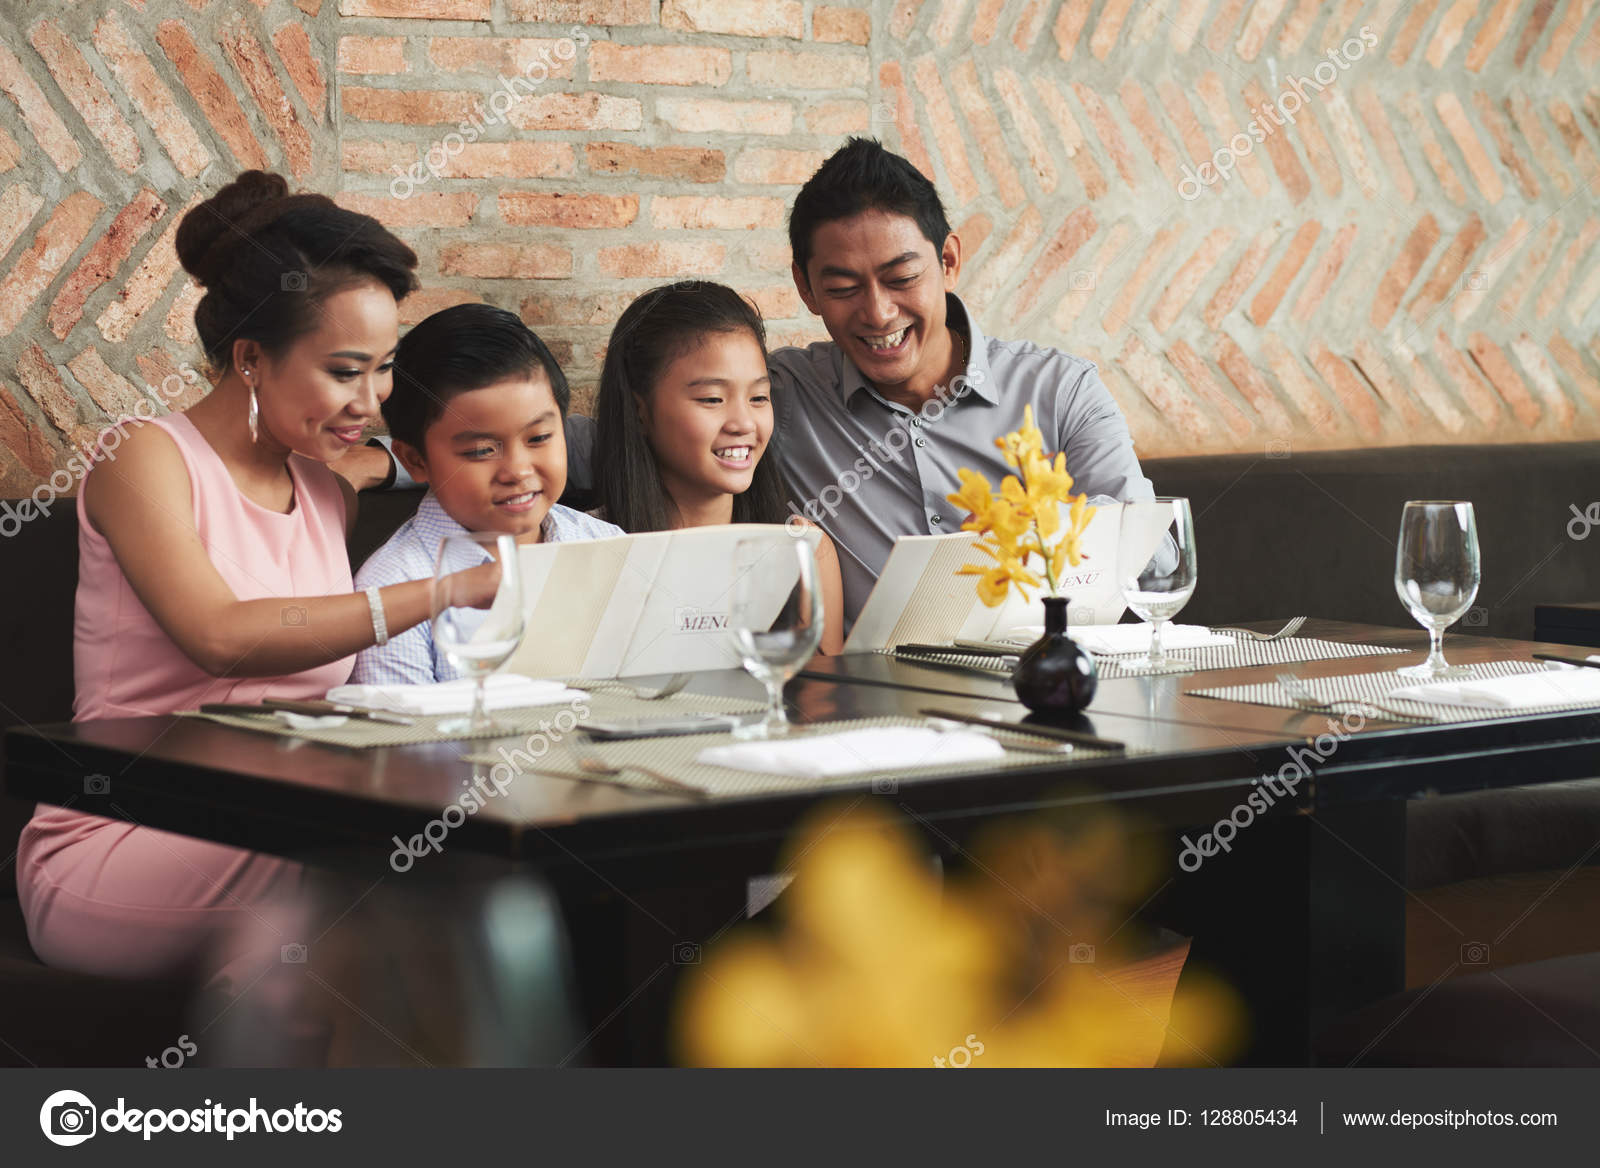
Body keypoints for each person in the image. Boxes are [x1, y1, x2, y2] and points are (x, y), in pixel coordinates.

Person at [15, 171, 495, 983]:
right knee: (374, 847)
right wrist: (445, 591)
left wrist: (408, 461)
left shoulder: (324, 489)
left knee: (432, 840)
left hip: (276, 823)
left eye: (384, 369)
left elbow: (385, 458)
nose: (372, 400)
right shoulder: (144, 459)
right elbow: (221, 636)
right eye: (344, 371)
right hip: (126, 837)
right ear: (249, 358)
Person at [771, 138, 1158, 624]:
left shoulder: (1061, 391)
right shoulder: (782, 396)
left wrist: (1025, 528)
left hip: (1039, 666)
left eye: (902, 278)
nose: (878, 313)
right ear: (806, 289)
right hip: (872, 675)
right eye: (843, 288)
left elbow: (1155, 559)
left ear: (948, 262)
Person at [351, 304, 622, 686]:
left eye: (539, 438)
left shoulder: (609, 547)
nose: (518, 470)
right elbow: (399, 720)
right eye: (481, 451)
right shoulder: (393, 588)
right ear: (415, 461)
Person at [592, 281, 845, 654]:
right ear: (640, 411)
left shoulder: (803, 550)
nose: (743, 423)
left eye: (758, 397)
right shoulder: (588, 549)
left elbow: (825, 688)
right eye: (712, 399)